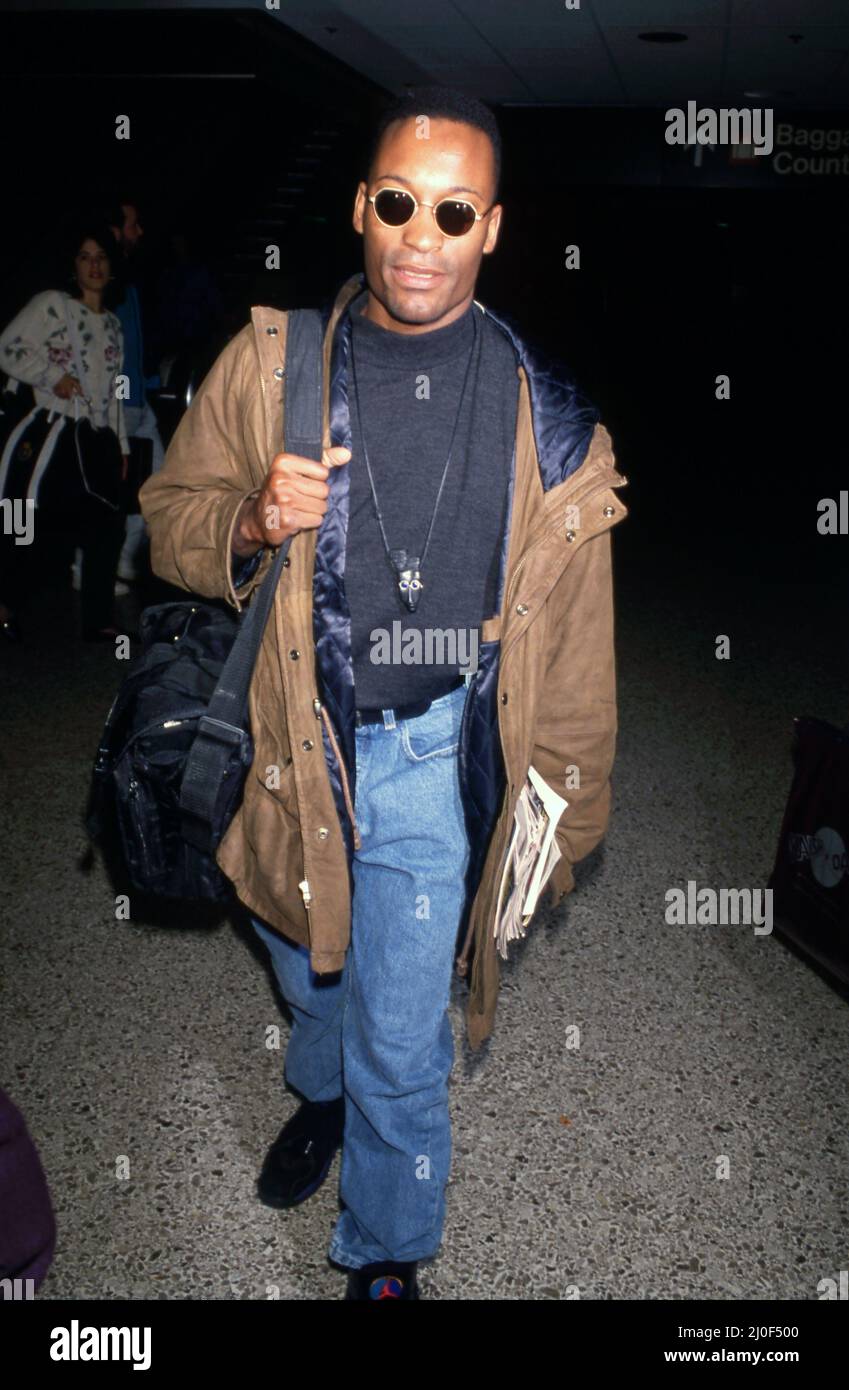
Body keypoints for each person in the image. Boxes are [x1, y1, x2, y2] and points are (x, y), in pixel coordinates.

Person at [140, 86, 629, 1300]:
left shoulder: (548, 423)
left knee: (402, 1042)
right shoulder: (272, 365)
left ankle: (385, 1252)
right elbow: (164, 520)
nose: (423, 234)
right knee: (308, 959)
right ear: (363, 205)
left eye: (453, 210)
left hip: (430, 757)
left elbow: (573, 649)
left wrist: (560, 821)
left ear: (493, 227)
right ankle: (321, 1093)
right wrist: (250, 520)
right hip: (285, 739)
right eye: (399, 202)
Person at [0, 219, 130, 641]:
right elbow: (8, 347)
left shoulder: (114, 324)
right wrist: (51, 374)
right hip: (51, 433)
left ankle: (99, 619)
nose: (94, 266)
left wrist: (121, 444)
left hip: (95, 439)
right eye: (85, 257)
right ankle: (5, 602)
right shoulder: (51, 304)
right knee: (25, 522)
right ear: (73, 266)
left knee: (107, 525)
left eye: (102, 257)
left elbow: (115, 390)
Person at [103, 198, 166, 590]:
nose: (138, 231)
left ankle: (123, 563)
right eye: (132, 224)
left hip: (137, 402)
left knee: (158, 483)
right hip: (114, 405)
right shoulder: (102, 281)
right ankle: (93, 569)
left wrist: (148, 385)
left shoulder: (127, 278)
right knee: (111, 489)